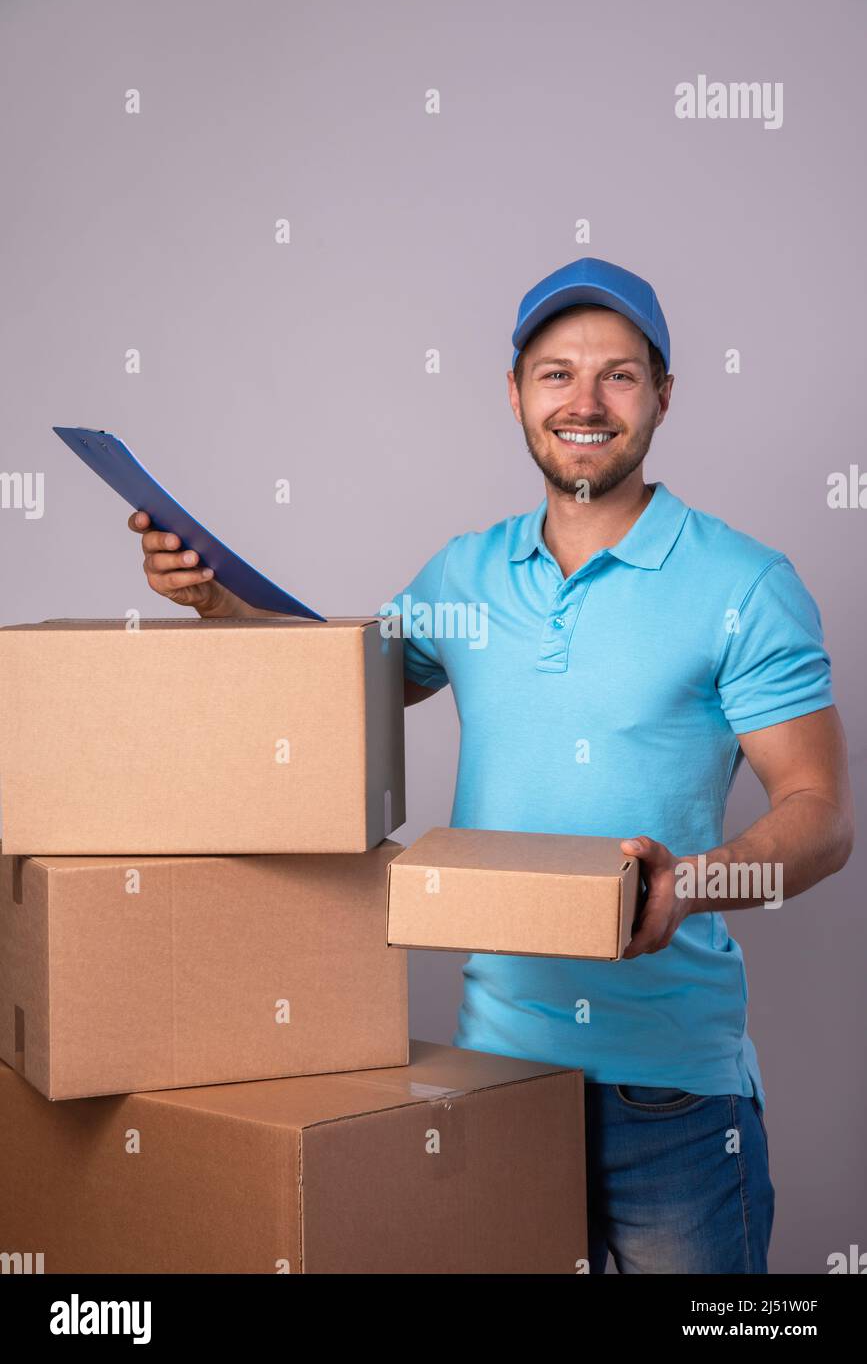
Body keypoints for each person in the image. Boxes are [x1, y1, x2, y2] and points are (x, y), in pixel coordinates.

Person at [128, 256, 853, 1274]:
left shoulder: (744, 583)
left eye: (619, 375)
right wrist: (216, 603)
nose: (586, 402)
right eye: (556, 373)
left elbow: (821, 814)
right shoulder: (465, 576)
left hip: (676, 1095)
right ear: (514, 393)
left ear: (664, 396)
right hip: (495, 1077)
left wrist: (691, 886)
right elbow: (336, 688)